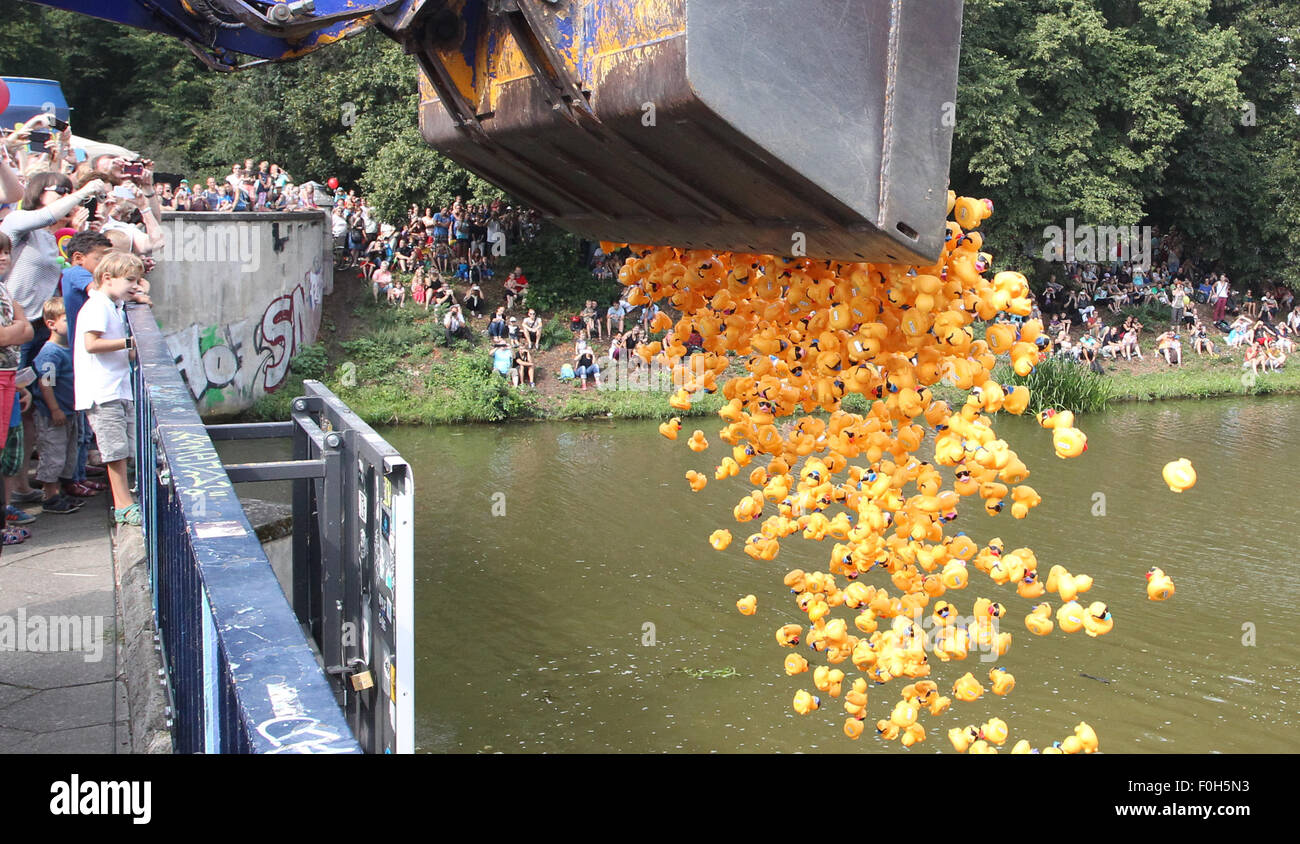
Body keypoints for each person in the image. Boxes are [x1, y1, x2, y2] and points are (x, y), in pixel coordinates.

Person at [75, 251, 144, 526]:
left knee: (125, 447)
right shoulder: (97, 306)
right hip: (102, 392)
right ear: (107, 278)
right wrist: (129, 342)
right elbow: (91, 344)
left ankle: (127, 498)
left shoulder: (112, 305)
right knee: (116, 451)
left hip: (116, 388)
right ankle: (123, 506)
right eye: (130, 280)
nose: (135, 285)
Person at [31, 297, 88, 513]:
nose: (72, 324)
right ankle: (50, 495)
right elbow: (46, 383)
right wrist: (54, 409)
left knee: (67, 452)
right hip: (53, 414)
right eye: (67, 320)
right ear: (51, 324)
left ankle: (61, 490)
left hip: (70, 411)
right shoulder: (50, 353)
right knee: (53, 453)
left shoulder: (70, 348)